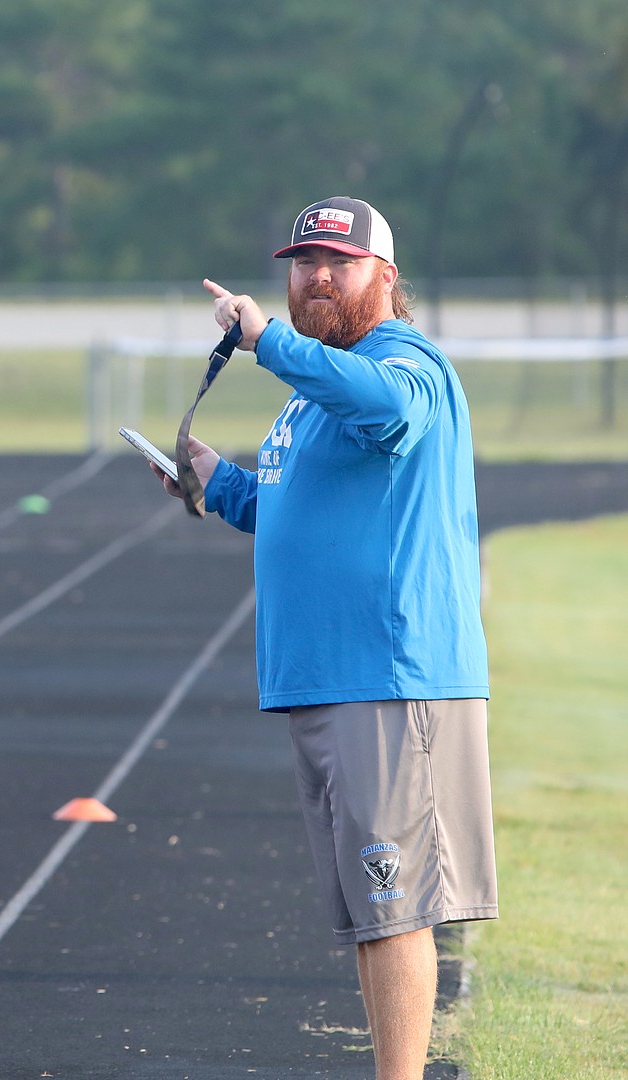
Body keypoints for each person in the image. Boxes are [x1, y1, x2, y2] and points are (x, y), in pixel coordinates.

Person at [159, 196, 495, 1080]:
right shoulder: (313, 392)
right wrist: (212, 480)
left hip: (388, 675)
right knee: (369, 914)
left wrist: (269, 343)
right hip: (323, 680)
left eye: (336, 262)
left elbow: (386, 410)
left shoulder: (402, 361)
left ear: (384, 275)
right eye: (303, 261)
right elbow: (286, 506)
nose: (314, 276)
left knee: (394, 910)